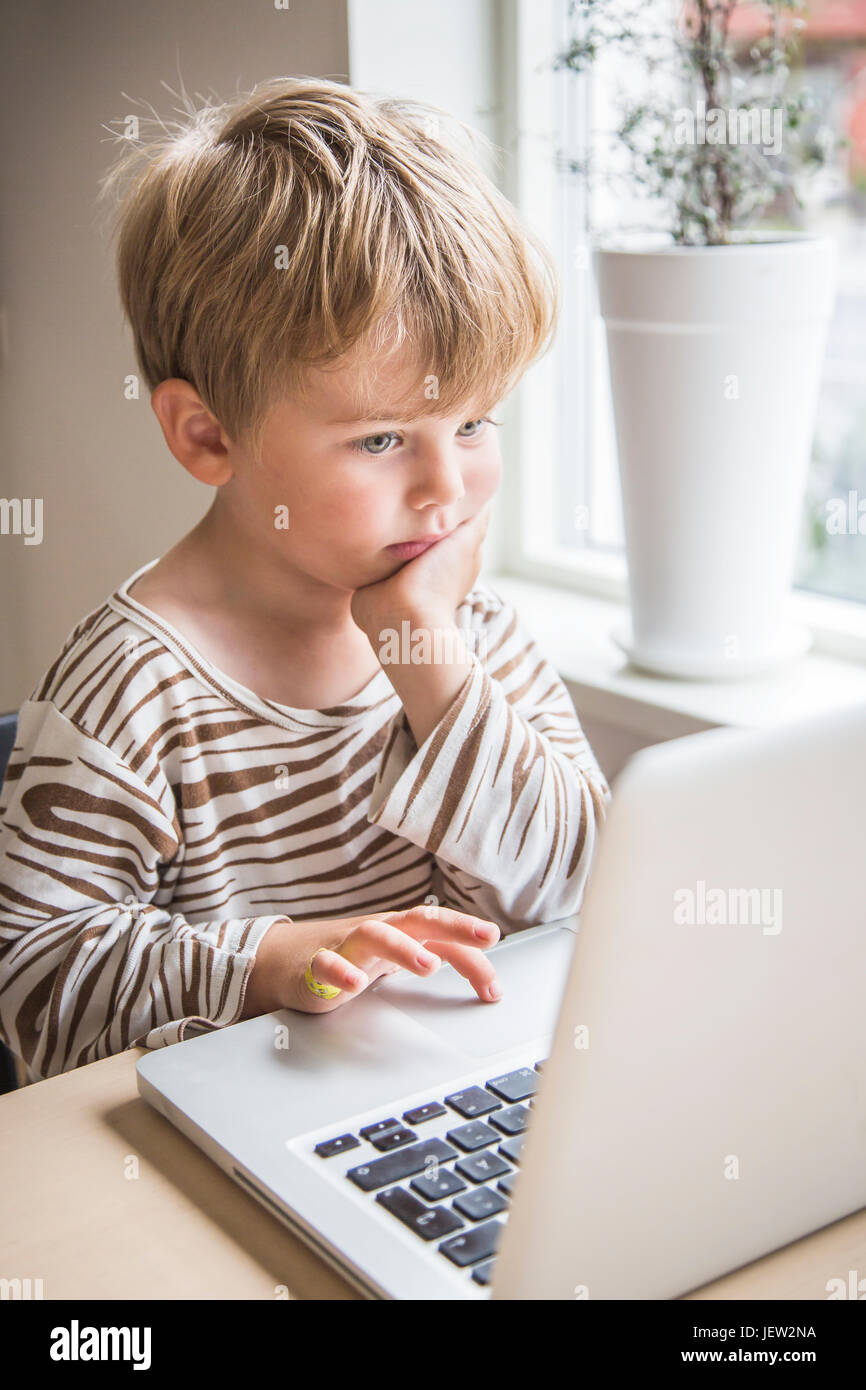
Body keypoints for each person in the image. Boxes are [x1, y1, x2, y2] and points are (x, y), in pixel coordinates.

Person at [0, 77, 610, 1082]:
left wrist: (428, 657)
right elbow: (34, 983)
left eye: (472, 422)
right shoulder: (132, 689)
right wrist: (271, 963)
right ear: (208, 435)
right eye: (381, 439)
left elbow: (579, 892)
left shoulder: (469, 628)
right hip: (228, 1131)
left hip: (450, 1091)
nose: (446, 489)